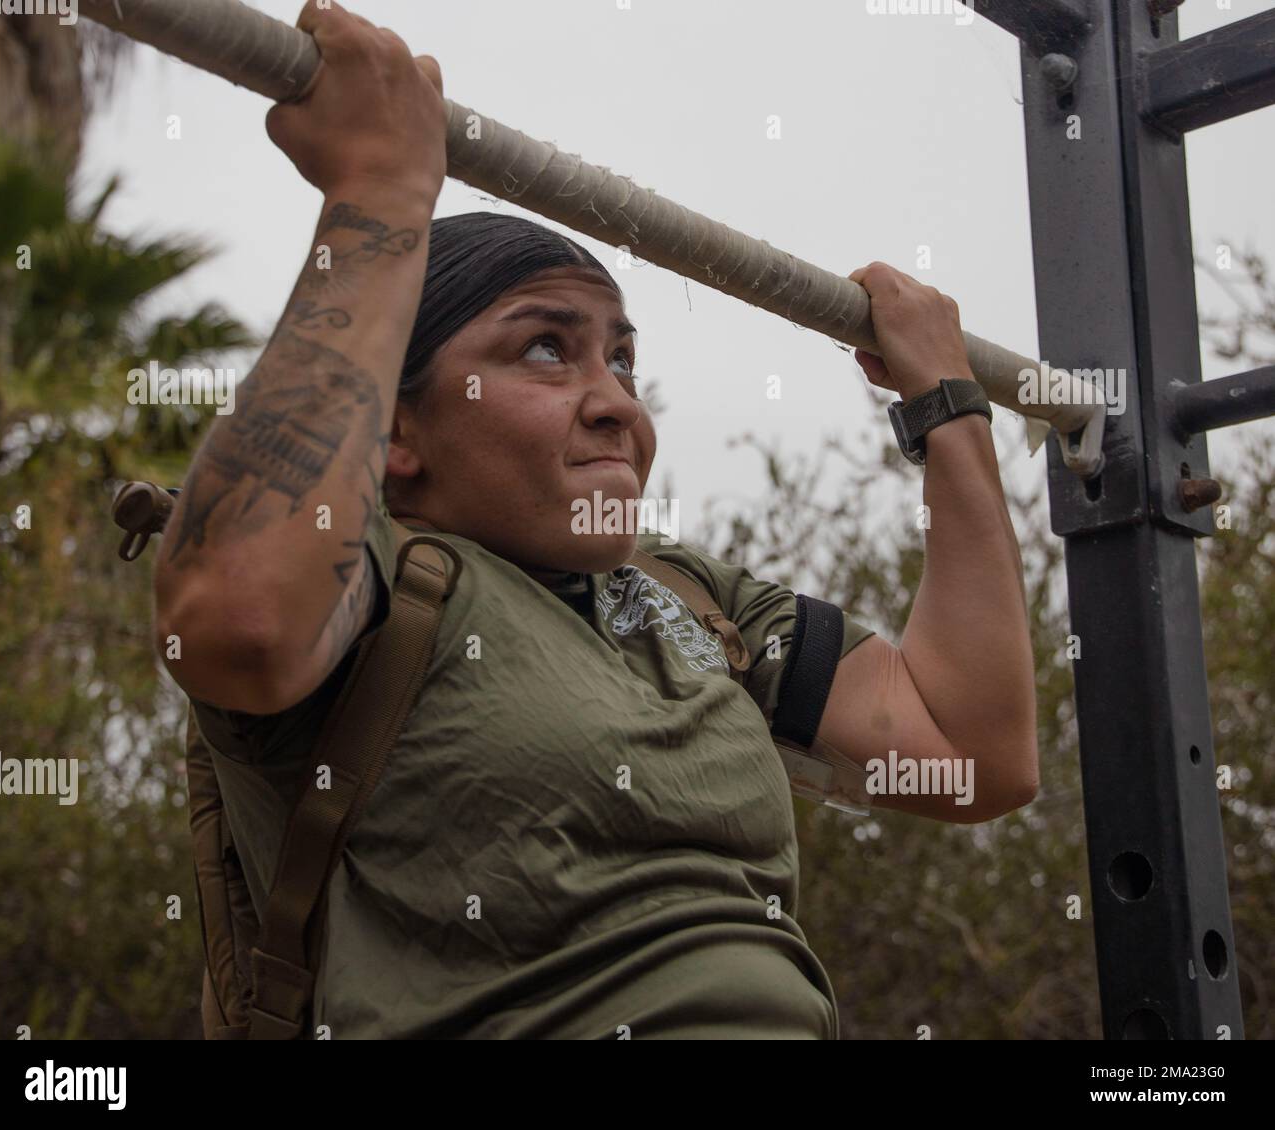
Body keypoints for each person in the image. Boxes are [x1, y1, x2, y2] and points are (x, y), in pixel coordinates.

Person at [154, 0, 1039, 1039]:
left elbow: (970, 753)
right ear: (394, 430)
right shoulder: (376, 587)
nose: (619, 402)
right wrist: (380, 191)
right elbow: (242, 618)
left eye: (622, 358)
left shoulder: (685, 598)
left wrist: (949, 412)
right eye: (545, 349)